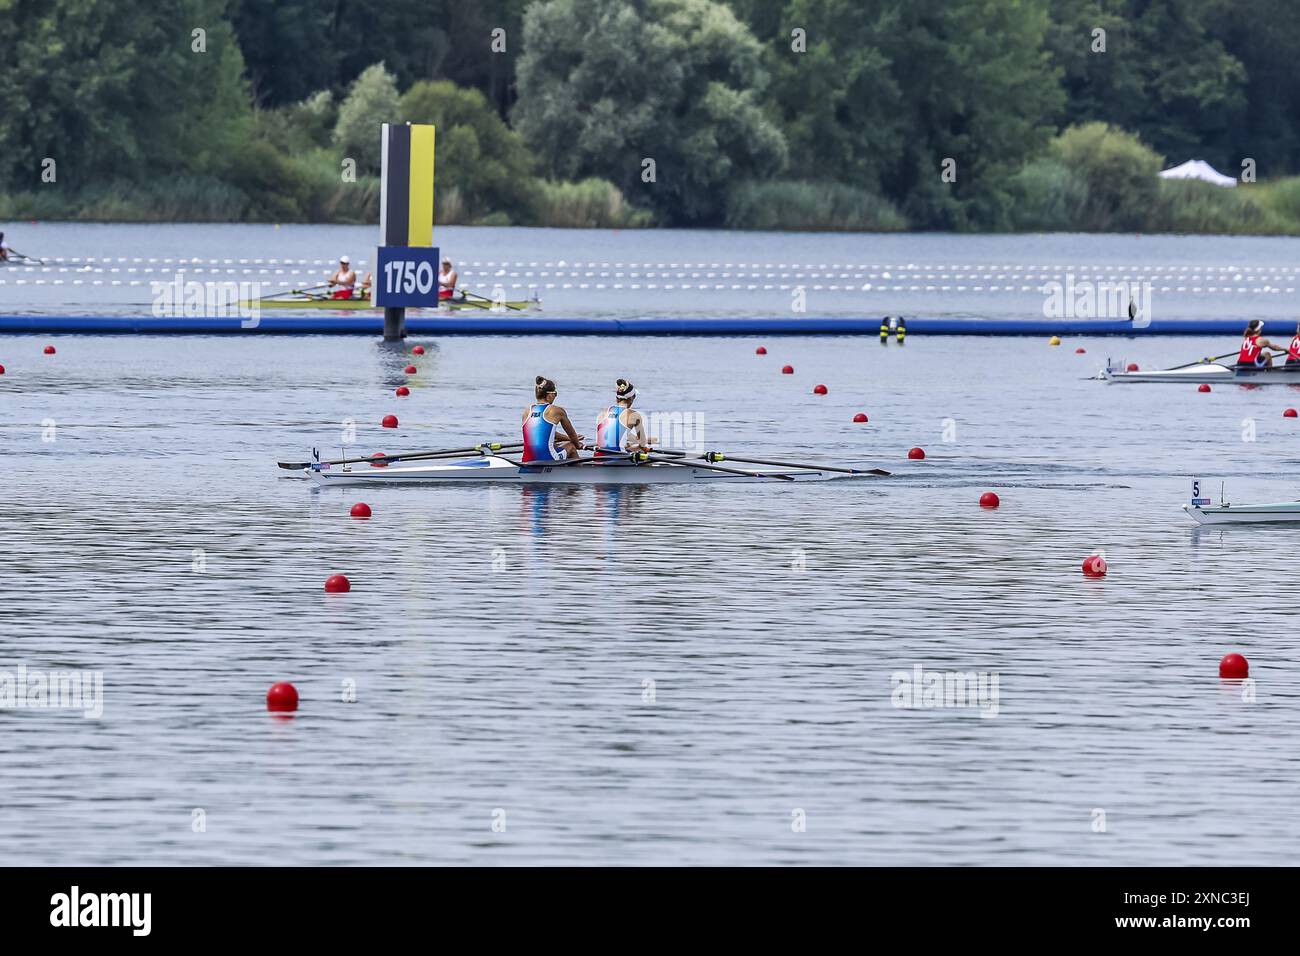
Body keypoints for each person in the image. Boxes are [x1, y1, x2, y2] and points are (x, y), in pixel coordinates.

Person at [522, 376, 585, 462]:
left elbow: (545, 432)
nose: (555, 396)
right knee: (571, 446)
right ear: (549, 395)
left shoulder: (526, 412)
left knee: (555, 445)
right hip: (548, 459)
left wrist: (568, 438)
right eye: (555, 393)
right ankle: (579, 474)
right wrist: (576, 443)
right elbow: (572, 434)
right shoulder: (557, 411)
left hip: (526, 460)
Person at [594, 379, 653, 457]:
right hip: (617, 460)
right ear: (631, 398)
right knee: (643, 456)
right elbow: (642, 444)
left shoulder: (603, 413)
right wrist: (642, 446)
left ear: (616, 398)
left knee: (627, 447)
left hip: (598, 458)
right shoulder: (635, 415)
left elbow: (611, 438)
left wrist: (631, 445)